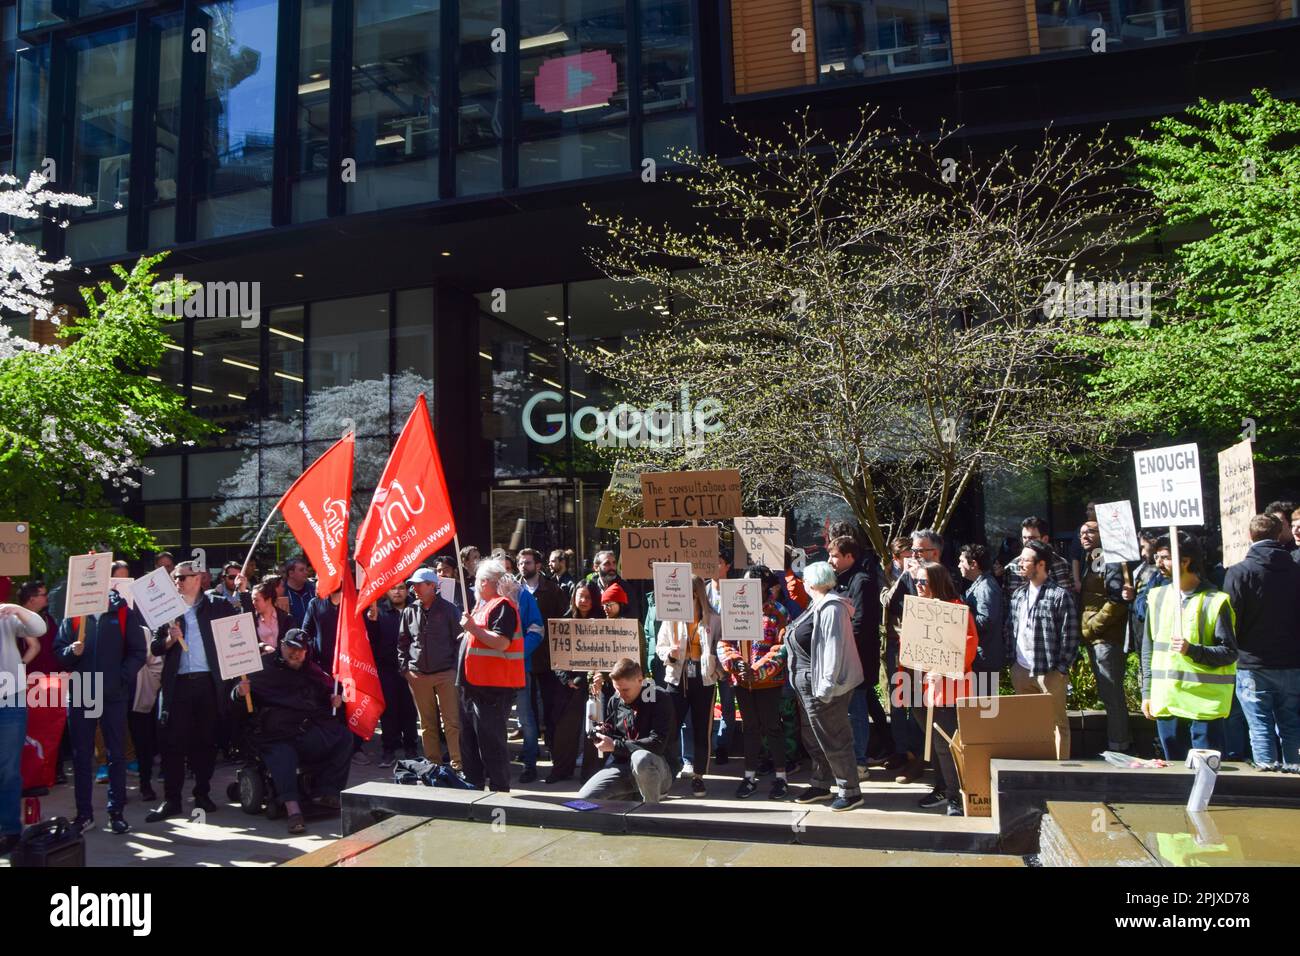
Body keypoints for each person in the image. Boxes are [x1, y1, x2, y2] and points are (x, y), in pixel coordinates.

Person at [146, 560, 239, 822]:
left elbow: (237, 632)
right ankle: (172, 799)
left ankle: (202, 793)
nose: (177, 582)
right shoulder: (167, 609)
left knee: (205, 741)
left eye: (182, 578)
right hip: (178, 685)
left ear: (197, 579)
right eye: (175, 578)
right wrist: (170, 638)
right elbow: (155, 648)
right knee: (172, 743)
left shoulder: (216, 606)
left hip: (207, 683)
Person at [235, 628, 352, 834]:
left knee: (343, 737)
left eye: (301, 650)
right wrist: (238, 693)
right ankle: (293, 808)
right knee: (283, 755)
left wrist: (334, 699)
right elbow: (236, 703)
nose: (296, 653)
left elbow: (328, 689)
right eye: (292, 648)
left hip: (305, 728)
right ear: (282, 645)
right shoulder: (263, 668)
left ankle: (328, 791)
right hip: (274, 732)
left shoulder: (310, 669)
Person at [55, 584, 147, 835]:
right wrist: (70, 651)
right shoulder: (73, 614)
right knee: (81, 755)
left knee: (116, 754)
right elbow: (59, 653)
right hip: (82, 690)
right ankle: (84, 815)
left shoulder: (122, 612)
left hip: (113, 694)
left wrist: (121, 677)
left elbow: (138, 651)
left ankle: (116, 812)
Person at [1141, 533, 1237, 760]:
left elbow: (1229, 653)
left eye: (1165, 557)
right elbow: (1148, 649)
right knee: (1175, 775)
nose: (1158, 563)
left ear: (1186, 561)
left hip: (1203, 705)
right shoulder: (1156, 597)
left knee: (1205, 777)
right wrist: (1147, 692)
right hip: (1167, 701)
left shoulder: (1215, 600)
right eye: (1157, 557)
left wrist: (1192, 650)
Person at [1224, 514, 1300, 770]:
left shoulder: (1239, 572)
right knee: (1292, 726)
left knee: (1260, 727)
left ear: (1249, 536)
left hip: (1252, 662)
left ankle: (1269, 786)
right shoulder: (1296, 570)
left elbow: (1231, 620)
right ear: (1280, 535)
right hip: (1292, 661)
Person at [787, 561, 865, 811]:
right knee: (814, 737)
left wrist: (826, 687)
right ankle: (821, 783)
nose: (802, 583)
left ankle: (850, 790)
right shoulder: (818, 604)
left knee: (834, 737)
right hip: (809, 684)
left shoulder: (832, 608)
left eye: (804, 579)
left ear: (811, 582)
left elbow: (833, 649)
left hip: (821, 686)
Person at [905, 562, 978, 816]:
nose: (919, 586)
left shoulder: (957, 610)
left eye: (924, 581)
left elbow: (968, 649)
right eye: (917, 582)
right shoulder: (921, 610)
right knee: (936, 745)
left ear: (937, 581)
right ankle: (944, 789)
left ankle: (956, 797)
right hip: (929, 689)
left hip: (952, 690)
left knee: (946, 745)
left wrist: (940, 666)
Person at [719, 567, 790, 799]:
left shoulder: (778, 612)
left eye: (754, 584)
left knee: (773, 727)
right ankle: (749, 777)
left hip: (769, 683)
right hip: (742, 683)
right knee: (749, 729)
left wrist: (758, 671)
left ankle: (781, 778)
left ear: (764, 586)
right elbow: (725, 643)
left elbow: (782, 649)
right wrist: (736, 663)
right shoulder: (734, 608)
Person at [1006, 540, 1080, 758]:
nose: (1020, 563)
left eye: (1025, 560)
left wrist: (1061, 669)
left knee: (1058, 724)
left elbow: (1071, 635)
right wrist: (1012, 662)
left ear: (1041, 564)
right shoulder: (1018, 594)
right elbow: (1009, 628)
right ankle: (1035, 772)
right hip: (1021, 668)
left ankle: (1059, 774)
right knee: (1028, 725)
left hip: (1049, 671)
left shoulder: (1059, 595)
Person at [457, 558, 524, 792]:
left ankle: (499, 792)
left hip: (491, 690)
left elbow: (502, 642)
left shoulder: (502, 605)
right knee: (469, 742)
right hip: (472, 686)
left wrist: (473, 629)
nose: (474, 586)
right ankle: (473, 786)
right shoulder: (482, 606)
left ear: (486, 582)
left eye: (477, 581)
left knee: (491, 744)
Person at [886, 530, 945, 781]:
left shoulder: (944, 576)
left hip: (940, 659)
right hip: (913, 654)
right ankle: (922, 758)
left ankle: (942, 774)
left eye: (920, 551)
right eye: (913, 550)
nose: (915, 555)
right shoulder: (910, 576)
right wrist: (903, 577)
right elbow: (891, 603)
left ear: (935, 553)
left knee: (940, 716)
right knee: (916, 707)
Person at [576, 658, 676, 804]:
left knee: (640, 758)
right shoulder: (615, 700)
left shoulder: (660, 698)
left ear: (640, 680)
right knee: (583, 800)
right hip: (624, 766)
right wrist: (600, 734)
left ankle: (651, 809)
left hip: (659, 768)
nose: (621, 694)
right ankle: (632, 795)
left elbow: (657, 744)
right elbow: (611, 734)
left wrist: (615, 745)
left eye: (625, 689)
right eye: (617, 689)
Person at [657, 575, 720, 796]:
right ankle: (667, 772)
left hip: (703, 679)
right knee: (669, 727)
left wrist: (716, 665)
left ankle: (699, 776)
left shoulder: (712, 618)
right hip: (677, 677)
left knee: (702, 728)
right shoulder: (671, 618)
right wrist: (669, 653)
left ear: (696, 594)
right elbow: (660, 646)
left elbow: (721, 646)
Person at [1078, 520, 1135, 754]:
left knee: (1112, 695)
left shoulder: (1109, 559)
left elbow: (1117, 600)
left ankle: (1119, 747)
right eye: (1081, 532)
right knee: (1108, 694)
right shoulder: (1091, 558)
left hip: (1106, 638)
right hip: (1096, 636)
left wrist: (1092, 627)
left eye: (1091, 531)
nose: (1085, 536)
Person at [398, 568, 462, 771]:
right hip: (418, 674)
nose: (414, 588)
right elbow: (402, 641)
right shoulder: (410, 610)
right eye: (413, 584)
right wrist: (406, 670)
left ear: (432, 586)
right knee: (426, 723)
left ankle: (458, 764)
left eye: (419, 584)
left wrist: (454, 670)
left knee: (451, 722)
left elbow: (459, 641)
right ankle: (433, 763)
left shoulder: (450, 610)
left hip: (445, 673)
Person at [827, 534, 881, 773]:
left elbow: (862, 622)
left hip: (856, 658)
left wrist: (843, 648)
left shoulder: (862, 581)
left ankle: (859, 760)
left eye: (835, 556)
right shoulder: (838, 580)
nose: (830, 560)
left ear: (850, 556)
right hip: (844, 656)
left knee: (857, 709)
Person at [517, 547, 568, 780]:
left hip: (547, 660)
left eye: (527, 563)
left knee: (550, 711)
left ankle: (554, 755)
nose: (523, 567)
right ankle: (530, 757)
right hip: (524, 662)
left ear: (538, 566)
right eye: (520, 563)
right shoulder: (514, 591)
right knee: (527, 715)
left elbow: (562, 622)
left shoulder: (553, 590)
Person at [0, 601, 45, 855]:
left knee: (7, 770)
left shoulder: (5, 614)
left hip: (9, 700)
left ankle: (9, 831)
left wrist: (18, 609)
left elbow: (38, 628)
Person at [548, 584, 601, 783]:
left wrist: (596, 676)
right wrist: (566, 679)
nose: (584, 601)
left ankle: (590, 774)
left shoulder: (601, 623)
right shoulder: (564, 621)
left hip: (594, 685)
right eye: (581, 596)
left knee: (593, 731)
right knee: (564, 731)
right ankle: (561, 770)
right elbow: (556, 655)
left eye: (588, 597)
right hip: (568, 687)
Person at [367, 581, 420, 765]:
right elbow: (372, 641)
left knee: (410, 710)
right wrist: (372, 622)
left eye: (401, 588)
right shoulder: (378, 611)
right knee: (388, 711)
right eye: (393, 588)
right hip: (386, 669)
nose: (397, 592)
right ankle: (388, 750)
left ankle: (411, 749)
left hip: (411, 670)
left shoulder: (416, 609)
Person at [706, 549, 738, 766]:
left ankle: (723, 746)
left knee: (727, 703)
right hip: (707, 655)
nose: (714, 568)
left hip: (728, 655)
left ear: (727, 566)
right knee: (706, 705)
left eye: (718, 563)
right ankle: (705, 746)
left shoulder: (736, 591)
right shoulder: (702, 590)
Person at [959, 544, 1004, 677]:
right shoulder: (981, 584)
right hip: (980, 657)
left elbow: (986, 621)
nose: (958, 565)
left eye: (961, 561)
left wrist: (960, 616)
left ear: (973, 564)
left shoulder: (986, 587)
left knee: (984, 698)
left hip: (985, 660)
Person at [251, 579, 294, 653]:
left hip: (281, 662)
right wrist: (263, 647)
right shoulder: (252, 620)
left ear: (268, 600)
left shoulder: (286, 618)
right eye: (252, 600)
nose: (253, 603)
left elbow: (291, 642)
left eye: (256, 600)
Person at [281, 557, 314, 625]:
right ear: (291, 574)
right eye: (301, 570)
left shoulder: (312, 589)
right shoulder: (282, 592)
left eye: (306, 569)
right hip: (293, 633)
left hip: (313, 634)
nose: (306, 572)